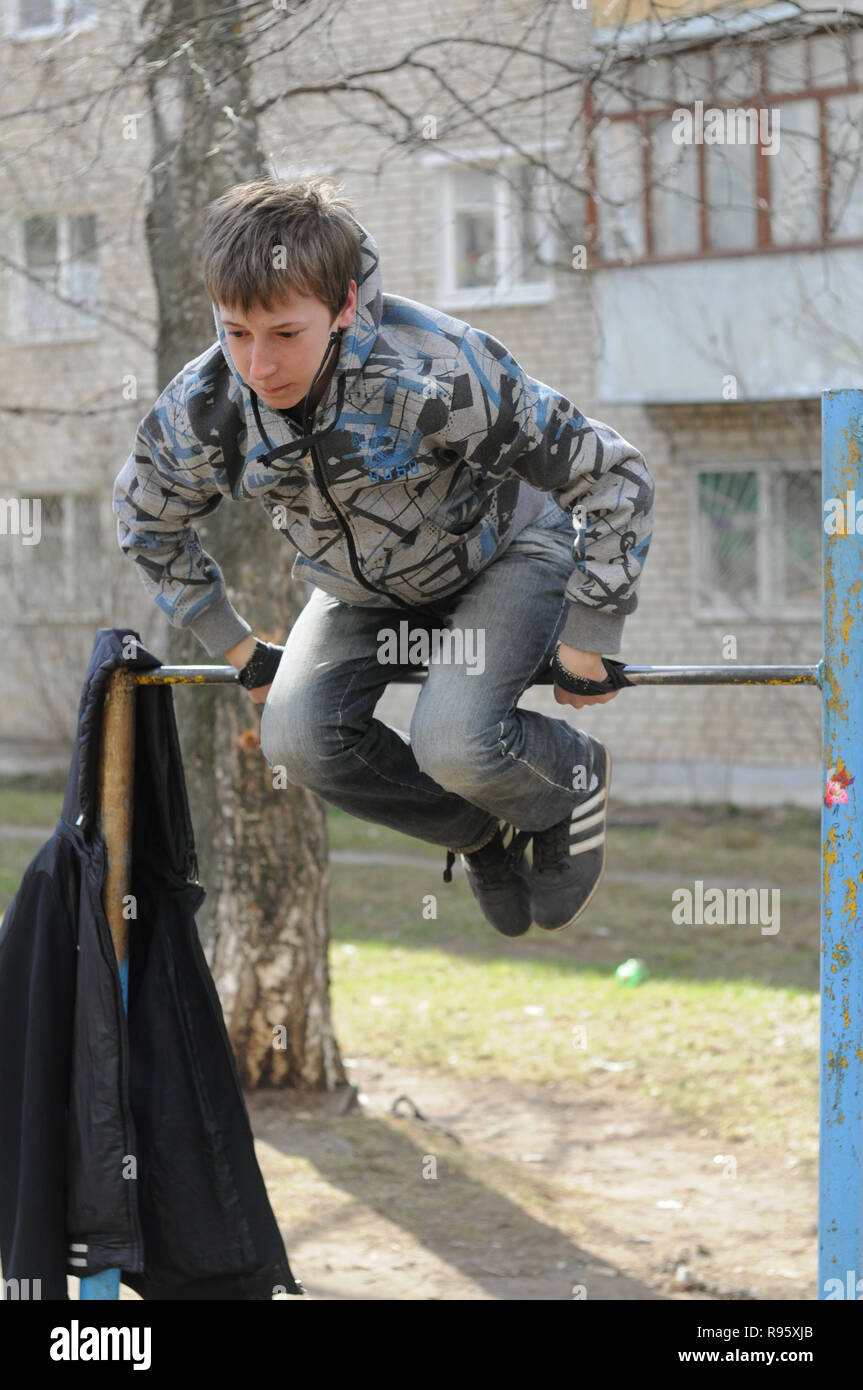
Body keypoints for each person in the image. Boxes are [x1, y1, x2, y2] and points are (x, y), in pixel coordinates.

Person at [113, 176, 655, 939]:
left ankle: (568, 783)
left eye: (285, 335)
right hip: (356, 590)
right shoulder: (206, 409)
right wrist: (236, 646)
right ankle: (479, 834)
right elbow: (145, 521)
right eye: (237, 333)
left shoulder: (436, 368)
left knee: (454, 743)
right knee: (297, 741)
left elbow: (610, 471)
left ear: (340, 308)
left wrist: (590, 630)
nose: (258, 367)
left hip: (504, 553)